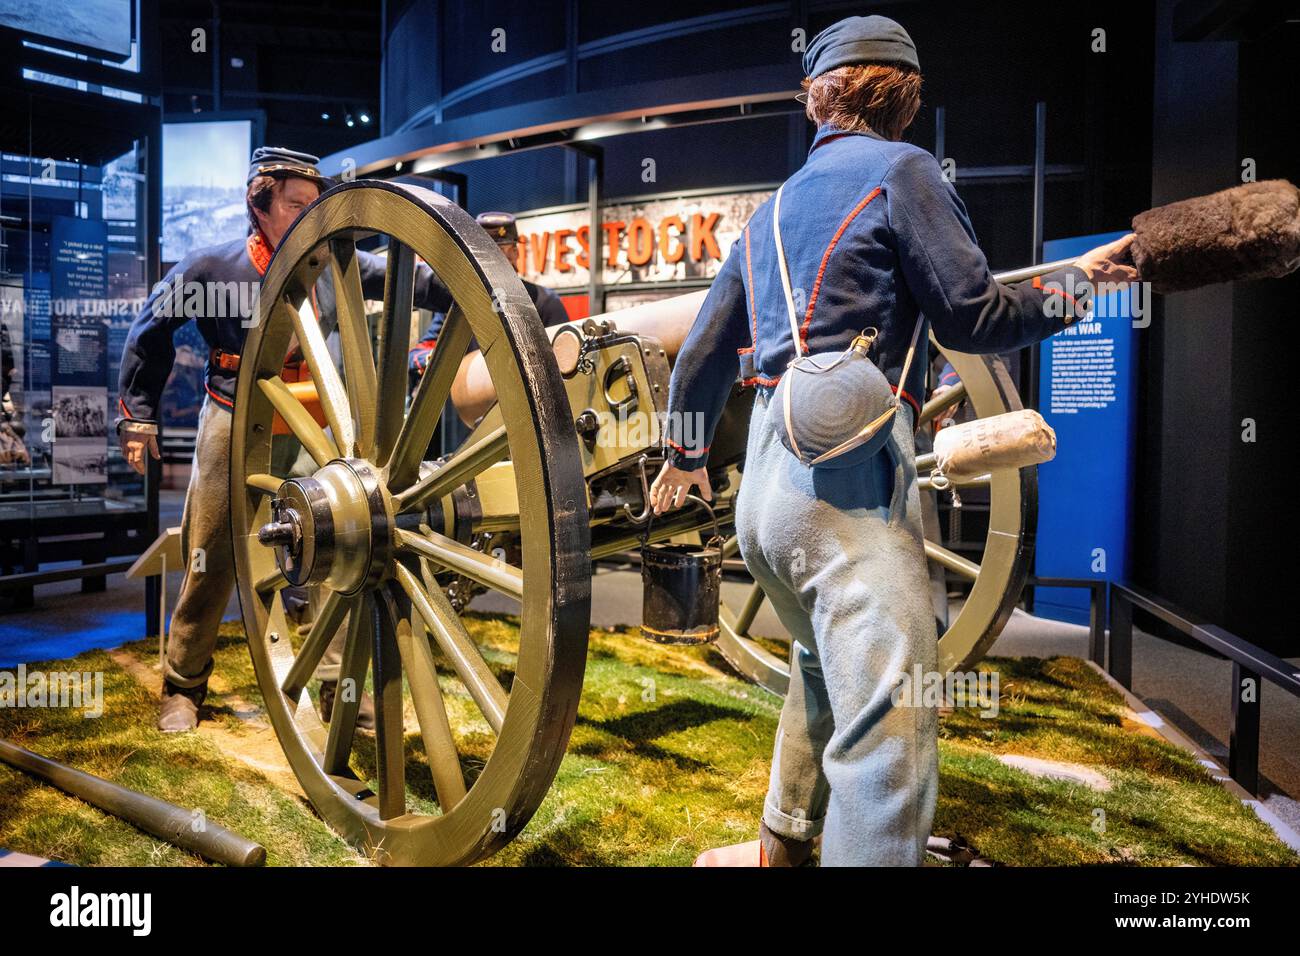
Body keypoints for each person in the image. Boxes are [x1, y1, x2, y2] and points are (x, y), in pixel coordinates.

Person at [650, 15, 1136, 865]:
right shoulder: (905, 171)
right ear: (905, 99)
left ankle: (784, 842)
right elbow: (972, 315)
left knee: (820, 665)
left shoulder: (766, 213)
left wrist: (686, 459)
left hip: (764, 502)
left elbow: (699, 357)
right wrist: (1072, 289)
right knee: (892, 731)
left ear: (818, 101)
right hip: (845, 489)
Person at [118, 147, 458, 732]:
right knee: (213, 552)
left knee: (344, 542)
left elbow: (409, 279)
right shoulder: (212, 269)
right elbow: (151, 329)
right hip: (234, 411)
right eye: (297, 204)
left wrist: (471, 286)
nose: (309, 217)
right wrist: (139, 416)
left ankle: (339, 688)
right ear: (261, 203)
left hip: (314, 422)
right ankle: (183, 683)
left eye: (315, 205)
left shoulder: (329, 263)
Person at [408, 210, 569, 386]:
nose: (500, 260)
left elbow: (564, 359)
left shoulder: (545, 302)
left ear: (516, 253)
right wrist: (438, 360)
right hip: (469, 404)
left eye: (506, 251)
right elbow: (419, 353)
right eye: (490, 253)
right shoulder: (459, 301)